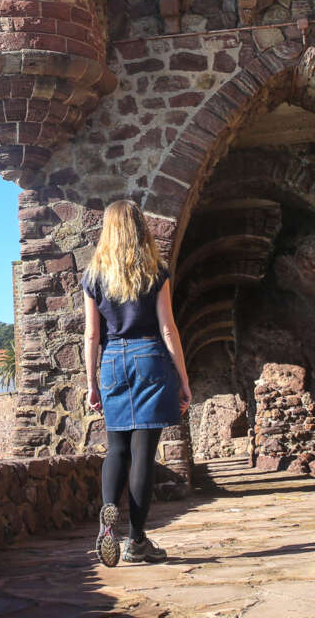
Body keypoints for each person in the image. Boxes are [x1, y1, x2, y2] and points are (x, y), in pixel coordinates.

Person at [82, 198, 191, 566]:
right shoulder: (154, 271)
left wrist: (91, 381)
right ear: (139, 228)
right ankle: (137, 540)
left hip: (112, 359)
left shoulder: (94, 276)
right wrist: (183, 378)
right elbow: (167, 328)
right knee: (144, 453)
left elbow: (91, 335)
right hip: (149, 357)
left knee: (117, 449)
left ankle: (108, 516)